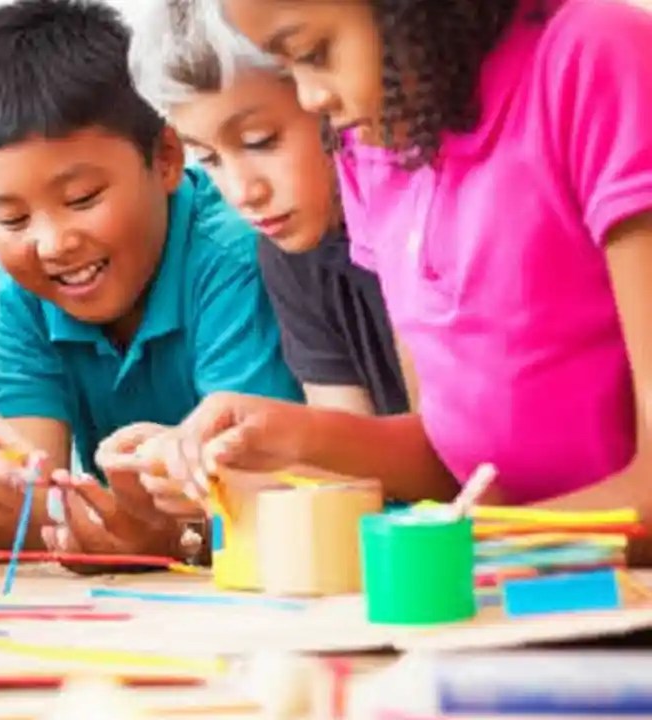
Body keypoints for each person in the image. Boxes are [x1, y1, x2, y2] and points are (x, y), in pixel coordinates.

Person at [154, 0, 652, 558]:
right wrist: (287, 434)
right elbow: (450, 463)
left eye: (315, 54)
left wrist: (479, 547)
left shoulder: (596, 56)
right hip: (512, 589)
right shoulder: (373, 143)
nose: (311, 97)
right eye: (289, 65)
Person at [0, 0, 301, 557]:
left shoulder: (235, 253)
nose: (53, 243)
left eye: (82, 199)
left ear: (167, 160)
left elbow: (262, 496)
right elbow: (30, 511)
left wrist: (171, 538)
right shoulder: (9, 292)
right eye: (10, 219)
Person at [129, 0, 407, 418]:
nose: (243, 192)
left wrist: (280, 432)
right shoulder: (287, 254)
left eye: (259, 141)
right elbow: (348, 440)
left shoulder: (418, 223)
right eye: (208, 159)